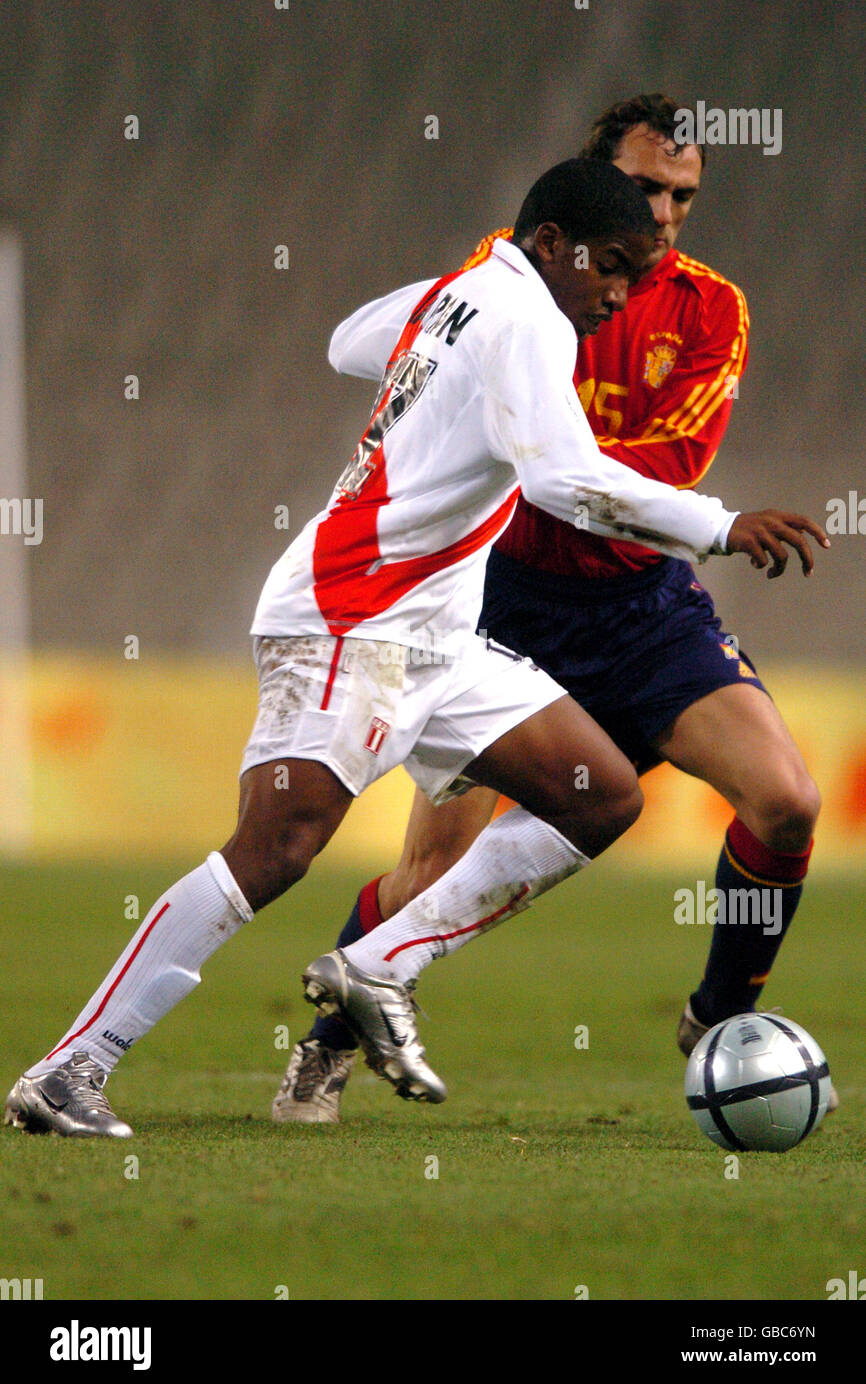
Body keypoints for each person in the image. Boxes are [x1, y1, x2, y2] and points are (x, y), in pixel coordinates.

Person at [5, 157, 825, 1137]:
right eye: (608, 265)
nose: (617, 293)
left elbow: (346, 340)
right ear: (553, 245)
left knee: (597, 790)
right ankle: (71, 1066)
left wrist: (440, 341)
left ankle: (376, 965)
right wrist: (719, 525)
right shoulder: (523, 319)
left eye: (633, 275)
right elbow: (563, 481)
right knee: (278, 845)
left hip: (436, 632)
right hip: (353, 615)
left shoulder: (467, 294)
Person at [276, 94, 829, 1124]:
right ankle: (324, 1046)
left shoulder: (709, 310)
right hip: (499, 605)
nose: (662, 214)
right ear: (589, 186)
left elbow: (664, 468)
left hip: (639, 608)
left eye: (681, 196)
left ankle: (716, 1018)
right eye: (644, 189)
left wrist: (550, 457)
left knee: (785, 799)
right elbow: (369, 344)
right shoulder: (510, 282)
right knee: (426, 874)